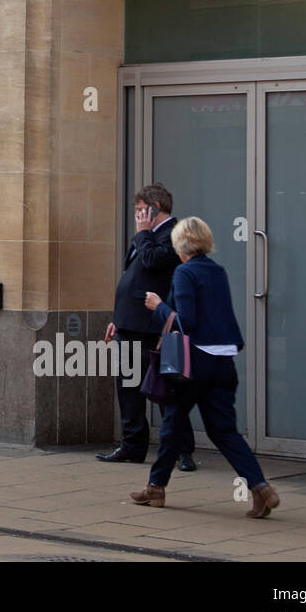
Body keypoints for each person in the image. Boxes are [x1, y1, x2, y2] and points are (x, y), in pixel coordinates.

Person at [128, 217, 280, 518]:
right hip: (223, 362)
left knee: (172, 423)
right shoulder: (218, 271)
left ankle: (156, 488)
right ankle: (261, 488)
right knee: (224, 430)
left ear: (179, 244)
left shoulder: (185, 272)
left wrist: (158, 306)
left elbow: (186, 321)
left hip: (193, 363)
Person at [97, 183, 195, 471]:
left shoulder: (176, 235)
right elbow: (133, 277)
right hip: (130, 322)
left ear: (155, 209)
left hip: (156, 326)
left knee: (167, 391)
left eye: (141, 210)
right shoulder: (146, 236)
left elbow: (153, 262)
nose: (137, 216)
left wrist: (142, 234)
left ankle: (181, 450)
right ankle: (133, 445)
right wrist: (118, 317)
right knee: (129, 389)